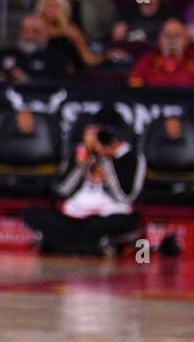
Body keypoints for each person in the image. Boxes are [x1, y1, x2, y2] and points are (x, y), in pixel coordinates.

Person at [22, 109, 144, 256]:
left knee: (117, 223)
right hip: (74, 217)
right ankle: (87, 246)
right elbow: (62, 191)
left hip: (107, 215)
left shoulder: (132, 157)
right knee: (31, 213)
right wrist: (81, 165)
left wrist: (107, 160)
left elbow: (126, 197)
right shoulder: (80, 152)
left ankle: (63, 244)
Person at [0, 13, 78, 83]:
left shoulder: (56, 58)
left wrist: (29, 82)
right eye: (25, 30)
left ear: (46, 34)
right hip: (3, 109)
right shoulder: (3, 53)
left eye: (35, 31)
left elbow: (64, 85)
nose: (29, 36)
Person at [129, 18, 194, 88]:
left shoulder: (192, 58)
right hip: (153, 98)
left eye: (177, 35)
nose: (172, 40)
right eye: (167, 35)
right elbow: (134, 85)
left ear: (186, 39)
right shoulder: (149, 58)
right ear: (159, 39)